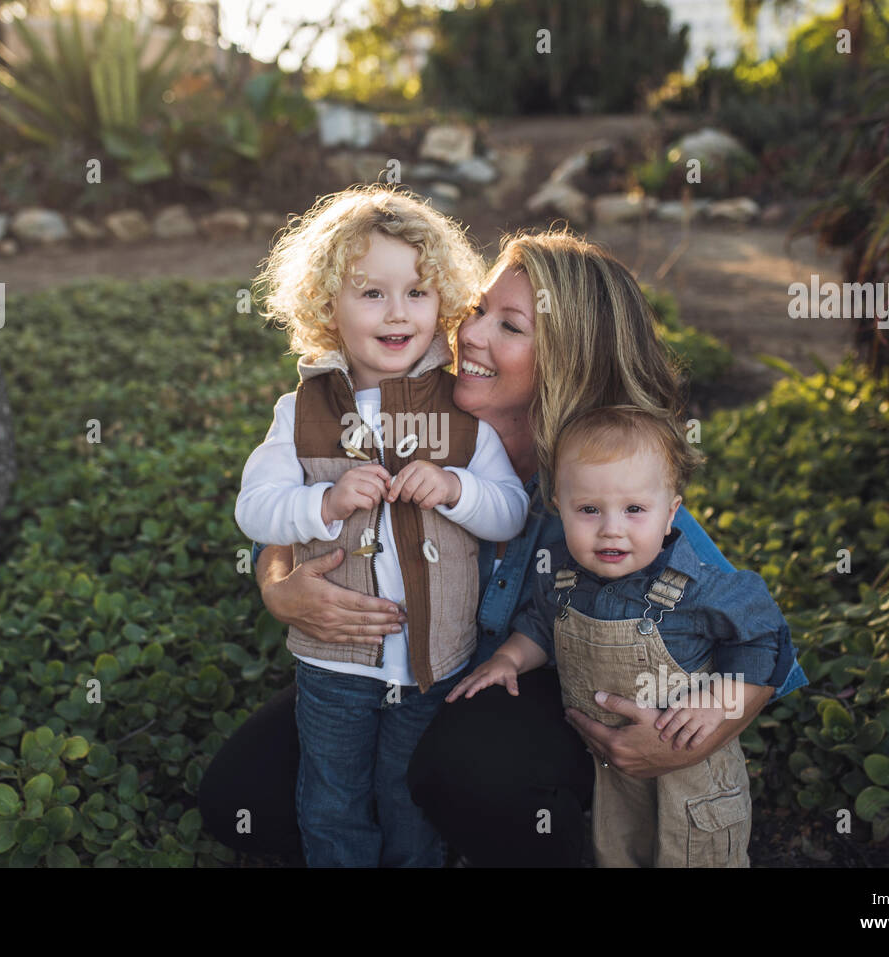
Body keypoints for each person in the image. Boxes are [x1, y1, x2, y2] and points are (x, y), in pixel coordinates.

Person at [201, 229, 808, 866]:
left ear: (569, 358)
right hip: (381, 665)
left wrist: (685, 739)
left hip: (524, 687)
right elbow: (297, 500)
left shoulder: (599, 488)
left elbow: (765, 644)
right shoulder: (412, 407)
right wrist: (278, 586)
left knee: (466, 771)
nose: (473, 336)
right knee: (241, 800)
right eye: (477, 310)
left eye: (511, 327)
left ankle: (514, 828)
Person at [235, 185, 529, 866]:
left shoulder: (462, 415)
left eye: (418, 293)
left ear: (444, 302)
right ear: (326, 305)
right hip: (332, 663)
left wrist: (456, 488)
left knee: (408, 798)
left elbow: (510, 510)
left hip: (436, 660)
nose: (398, 312)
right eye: (371, 293)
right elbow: (254, 506)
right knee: (332, 796)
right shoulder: (301, 410)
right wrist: (324, 505)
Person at [449, 405, 791, 866]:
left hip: (694, 777)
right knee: (618, 852)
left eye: (634, 510)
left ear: (670, 513)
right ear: (560, 508)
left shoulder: (700, 588)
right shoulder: (562, 577)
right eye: (589, 509)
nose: (612, 529)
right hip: (612, 773)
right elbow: (540, 627)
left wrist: (723, 697)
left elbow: (765, 637)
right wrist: (509, 658)